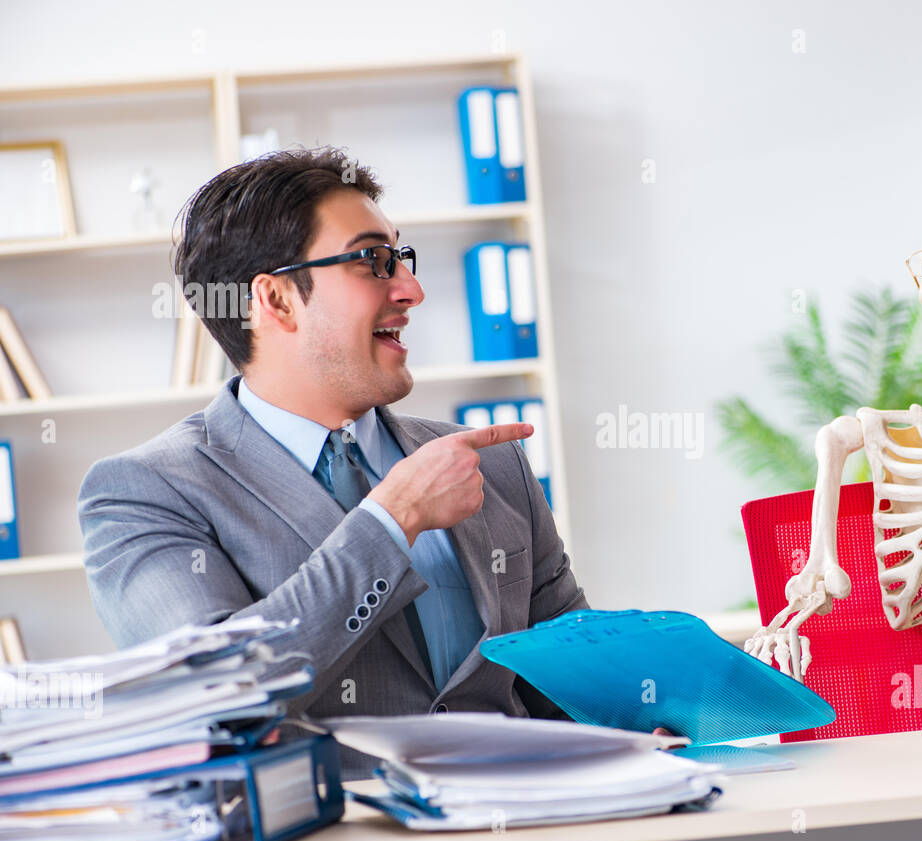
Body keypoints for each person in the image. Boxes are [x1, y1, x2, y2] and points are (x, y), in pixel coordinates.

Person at [77, 148, 587, 779]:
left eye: (401, 257)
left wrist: (659, 707)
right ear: (277, 301)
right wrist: (392, 519)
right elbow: (216, 697)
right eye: (373, 261)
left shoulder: (493, 464)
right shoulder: (143, 492)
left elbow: (572, 682)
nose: (412, 289)